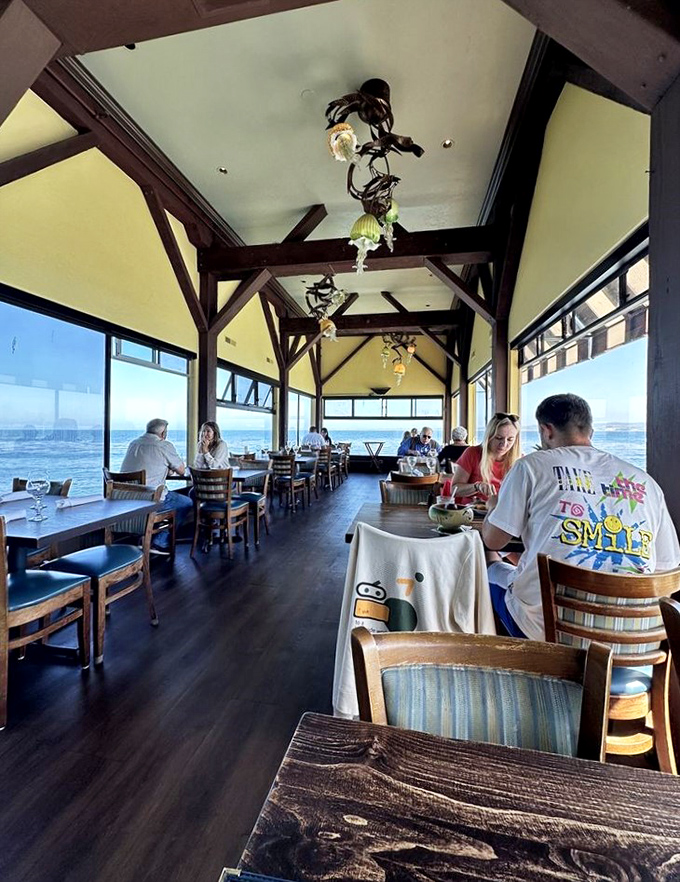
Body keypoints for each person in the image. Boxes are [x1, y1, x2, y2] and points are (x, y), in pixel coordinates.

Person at [482, 394, 680, 641]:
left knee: (490, 568)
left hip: (546, 633)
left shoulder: (531, 466)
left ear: (546, 430)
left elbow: (494, 540)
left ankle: (511, 664)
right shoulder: (646, 483)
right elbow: (668, 571)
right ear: (591, 431)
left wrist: (494, 507)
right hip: (634, 640)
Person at [121, 418, 193, 549]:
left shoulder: (133, 443)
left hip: (127, 500)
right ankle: (160, 539)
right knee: (186, 502)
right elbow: (182, 471)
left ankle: (147, 535)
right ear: (163, 433)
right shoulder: (163, 445)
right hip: (149, 501)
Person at [451, 413, 520, 504]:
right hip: (473, 513)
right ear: (489, 437)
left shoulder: (519, 460)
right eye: (498, 438)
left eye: (510, 439)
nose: (504, 444)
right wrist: (477, 487)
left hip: (505, 514)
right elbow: (454, 490)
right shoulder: (472, 453)